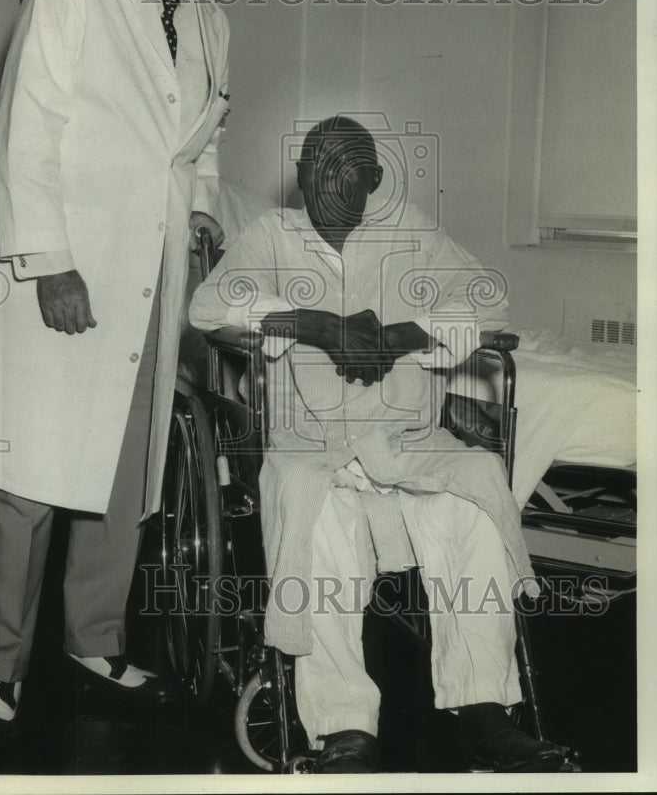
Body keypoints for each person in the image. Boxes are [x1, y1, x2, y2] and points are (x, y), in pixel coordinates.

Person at [0, 0, 254, 745]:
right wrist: (52, 261)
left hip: (150, 281)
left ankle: (94, 644)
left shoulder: (212, 23)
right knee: (27, 484)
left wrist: (197, 216)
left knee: (123, 479)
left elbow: (199, 143)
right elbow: (24, 123)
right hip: (65, 274)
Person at [189, 115, 570, 773]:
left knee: (474, 494)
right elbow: (208, 306)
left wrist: (399, 336)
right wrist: (310, 323)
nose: (319, 175)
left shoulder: (410, 235)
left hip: (408, 440)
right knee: (318, 516)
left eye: (340, 165)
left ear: (373, 180)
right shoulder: (272, 236)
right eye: (310, 160)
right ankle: (343, 729)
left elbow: (488, 300)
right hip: (310, 448)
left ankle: (482, 709)